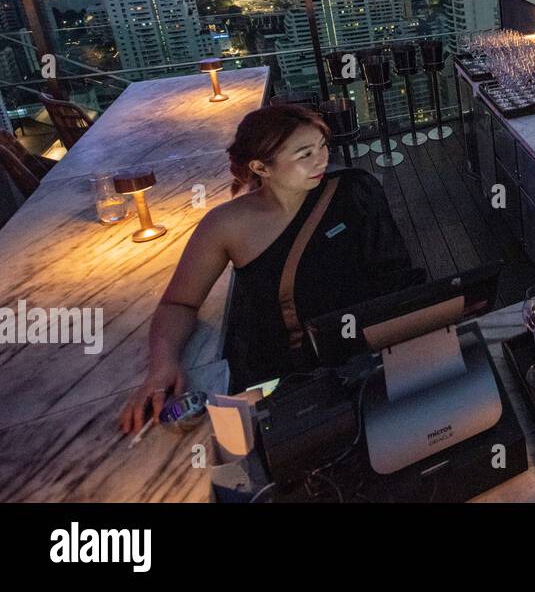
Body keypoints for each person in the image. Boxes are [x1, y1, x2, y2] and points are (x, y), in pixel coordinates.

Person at [119, 104, 420, 434]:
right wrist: (163, 363)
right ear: (262, 167)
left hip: (373, 351)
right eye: (305, 154)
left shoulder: (354, 190)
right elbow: (179, 303)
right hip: (293, 377)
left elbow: (396, 273)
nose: (322, 160)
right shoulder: (227, 225)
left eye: (322, 147)